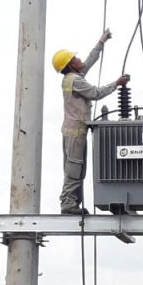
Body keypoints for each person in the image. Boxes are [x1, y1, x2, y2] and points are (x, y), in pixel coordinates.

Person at [51, 29, 129, 214]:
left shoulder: (74, 76)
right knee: (74, 169)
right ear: (70, 65)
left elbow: (89, 60)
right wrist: (117, 83)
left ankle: (71, 203)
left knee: (77, 169)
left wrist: (101, 42)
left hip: (75, 132)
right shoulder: (75, 80)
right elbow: (96, 93)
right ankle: (68, 204)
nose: (79, 60)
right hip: (75, 134)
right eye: (75, 59)